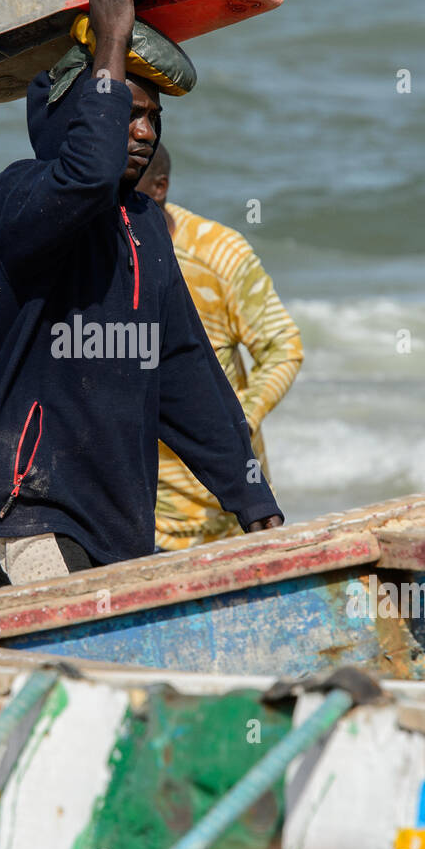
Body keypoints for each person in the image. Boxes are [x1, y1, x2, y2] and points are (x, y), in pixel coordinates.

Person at [0, 0, 283, 590]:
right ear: (79, 119)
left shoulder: (146, 226)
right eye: (127, 114)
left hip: (119, 518)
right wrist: (110, 44)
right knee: (71, 667)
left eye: (153, 119)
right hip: (30, 509)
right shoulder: (22, 194)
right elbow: (83, 178)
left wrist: (253, 499)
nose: (143, 132)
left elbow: (186, 369)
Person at [137, 145, 303, 550]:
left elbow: (283, 347)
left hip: (228, 517)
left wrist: (237, 423)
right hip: (144, 518)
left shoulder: (219, 254)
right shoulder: (100, 253)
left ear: (159, 188)